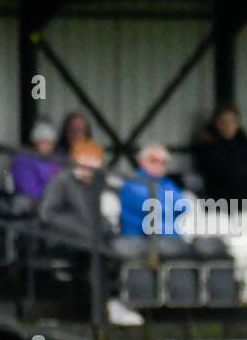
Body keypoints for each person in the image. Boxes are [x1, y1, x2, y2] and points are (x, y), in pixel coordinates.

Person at [39, 140, 143, 327]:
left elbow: (120, 194)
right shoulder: (61, 181)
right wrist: (80, 230)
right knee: (99, 256)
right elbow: (47, 214)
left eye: (95, 161)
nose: (91, 166)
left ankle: (114, 303)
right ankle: (102, 309)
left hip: (95, 240)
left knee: (116, 252)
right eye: (86, 161)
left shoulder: (100, 181)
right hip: (66, 240)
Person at [192, 103, 247, 205]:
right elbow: (223, 173)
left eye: (232, 121)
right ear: (216, 123)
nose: (228, 125)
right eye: (223, 122)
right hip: (221, 198)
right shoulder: (208, 144)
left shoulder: (241, 140)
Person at [118, 144, 189, 237]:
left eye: (163, 162)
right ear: (142, 162)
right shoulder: (133, 183)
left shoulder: (167, 183)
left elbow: (184, 207)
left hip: (170, 239)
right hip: (138, 241)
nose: (159, 165)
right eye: (154, 160)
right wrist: (169, 205)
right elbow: (151, 207)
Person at [10, 119, 62, 201]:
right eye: (43, 141)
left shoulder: (55, 160)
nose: (47, 146)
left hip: (52, 204)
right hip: (29, 203)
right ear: (35, 141)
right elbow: (29, 189)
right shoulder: (23, 159)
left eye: (50, 143)